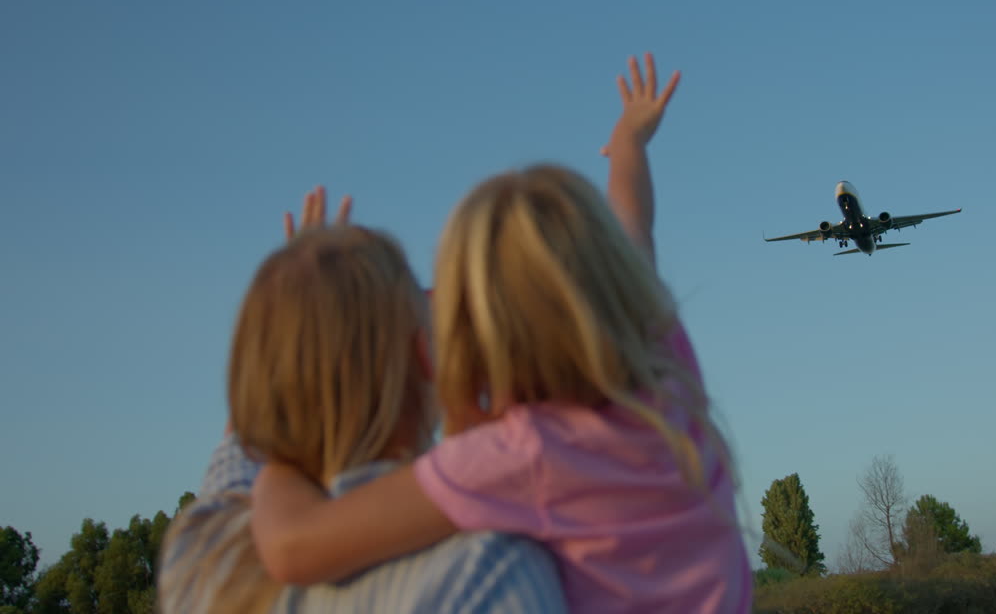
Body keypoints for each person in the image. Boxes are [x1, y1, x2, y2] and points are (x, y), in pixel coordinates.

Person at [250, 54, 753, 613]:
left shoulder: (522, 457)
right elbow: (633, 217)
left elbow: (295, 547)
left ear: (474, 342)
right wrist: (630, 140)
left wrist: (279, 462)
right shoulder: (662, 353)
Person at [157, 215, 567, 614]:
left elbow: (238, 455)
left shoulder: (201, 555)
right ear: (425, 359)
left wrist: (292, 324)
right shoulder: (488, 569)